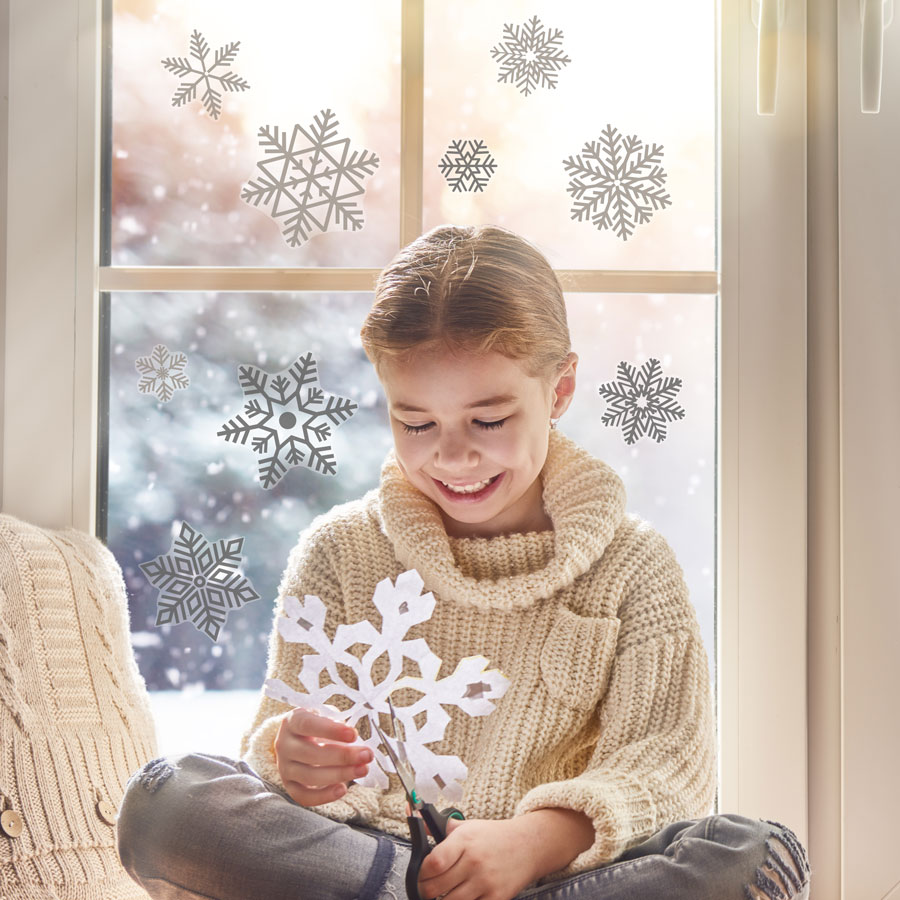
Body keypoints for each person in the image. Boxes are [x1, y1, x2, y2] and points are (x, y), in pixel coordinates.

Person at [116, 224, 811, 900]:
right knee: (164, 802)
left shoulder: (633, 567)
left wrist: (532, 841)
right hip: (371, 858)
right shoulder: (340, 552)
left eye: (488, 420)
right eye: (416, 423)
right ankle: (398, 891)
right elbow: (277, 757)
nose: (451, 455)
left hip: (556, 873)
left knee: (756, 856)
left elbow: (664, 770)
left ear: (560, 391)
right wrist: (290, 761)